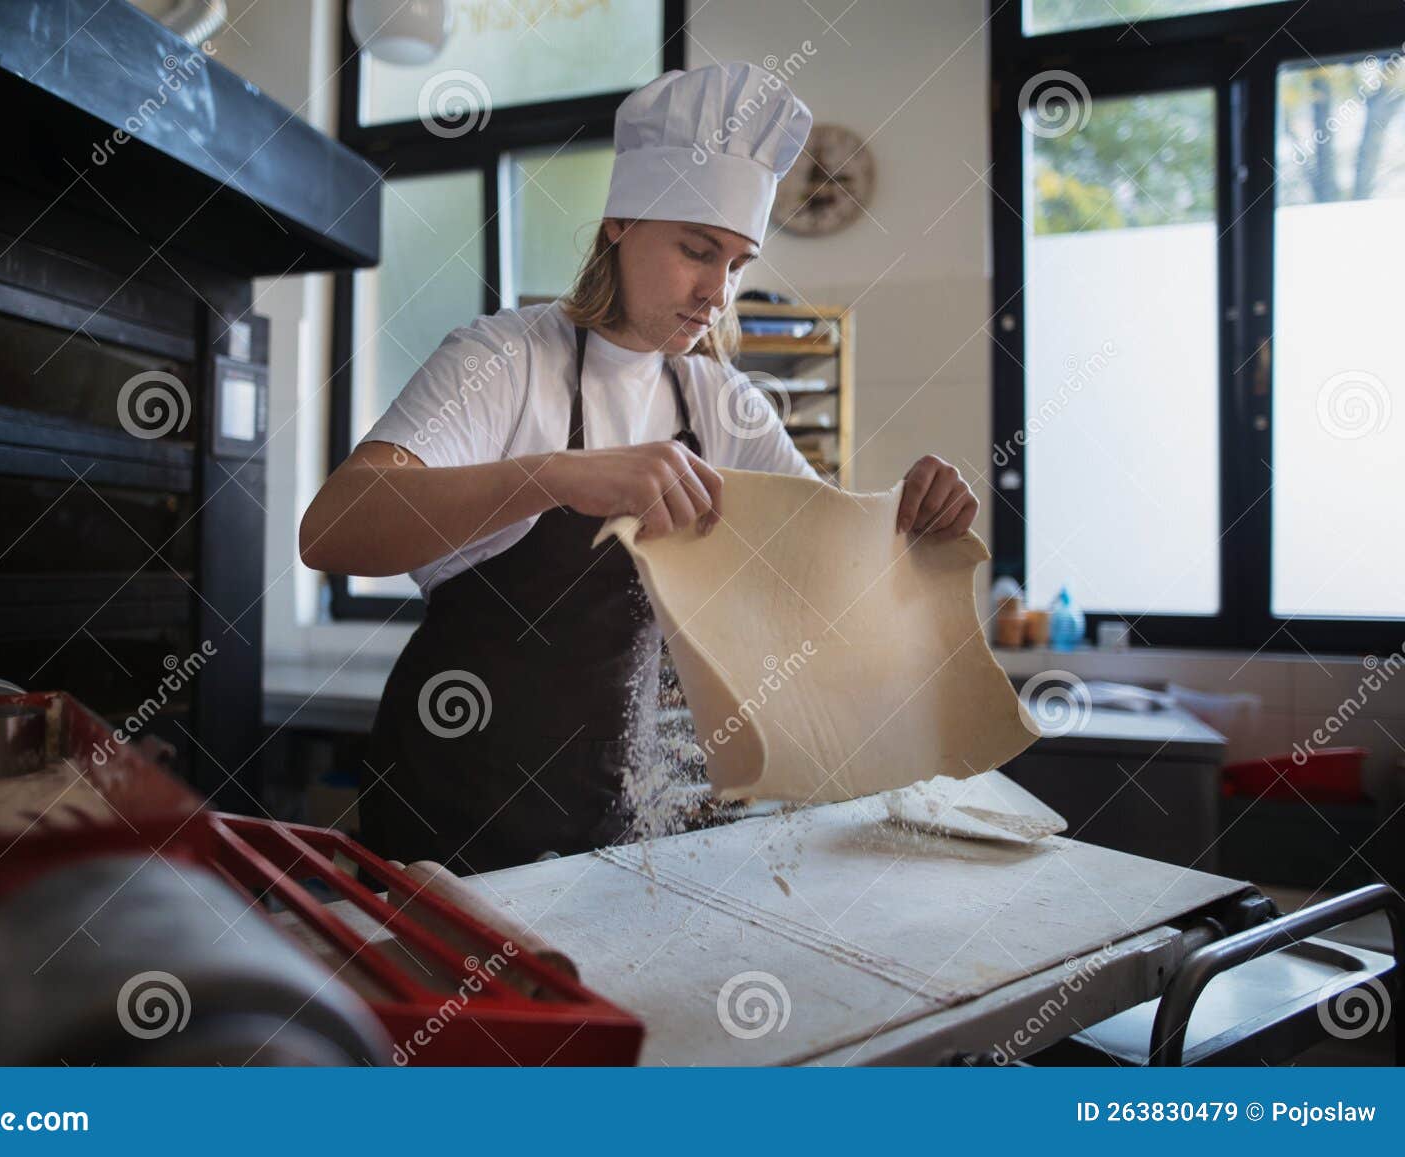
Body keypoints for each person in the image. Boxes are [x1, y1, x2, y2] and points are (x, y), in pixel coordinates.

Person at [300, 61, 979, 873]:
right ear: (620, 221)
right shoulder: (504, 361)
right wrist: (555, 475)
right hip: (461, 822)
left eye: (738, 263)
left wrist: (910, 516)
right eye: (697, 250)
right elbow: (334, 527)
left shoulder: (723, 404)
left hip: (635, 832)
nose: (717, 290)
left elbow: (828, 568)